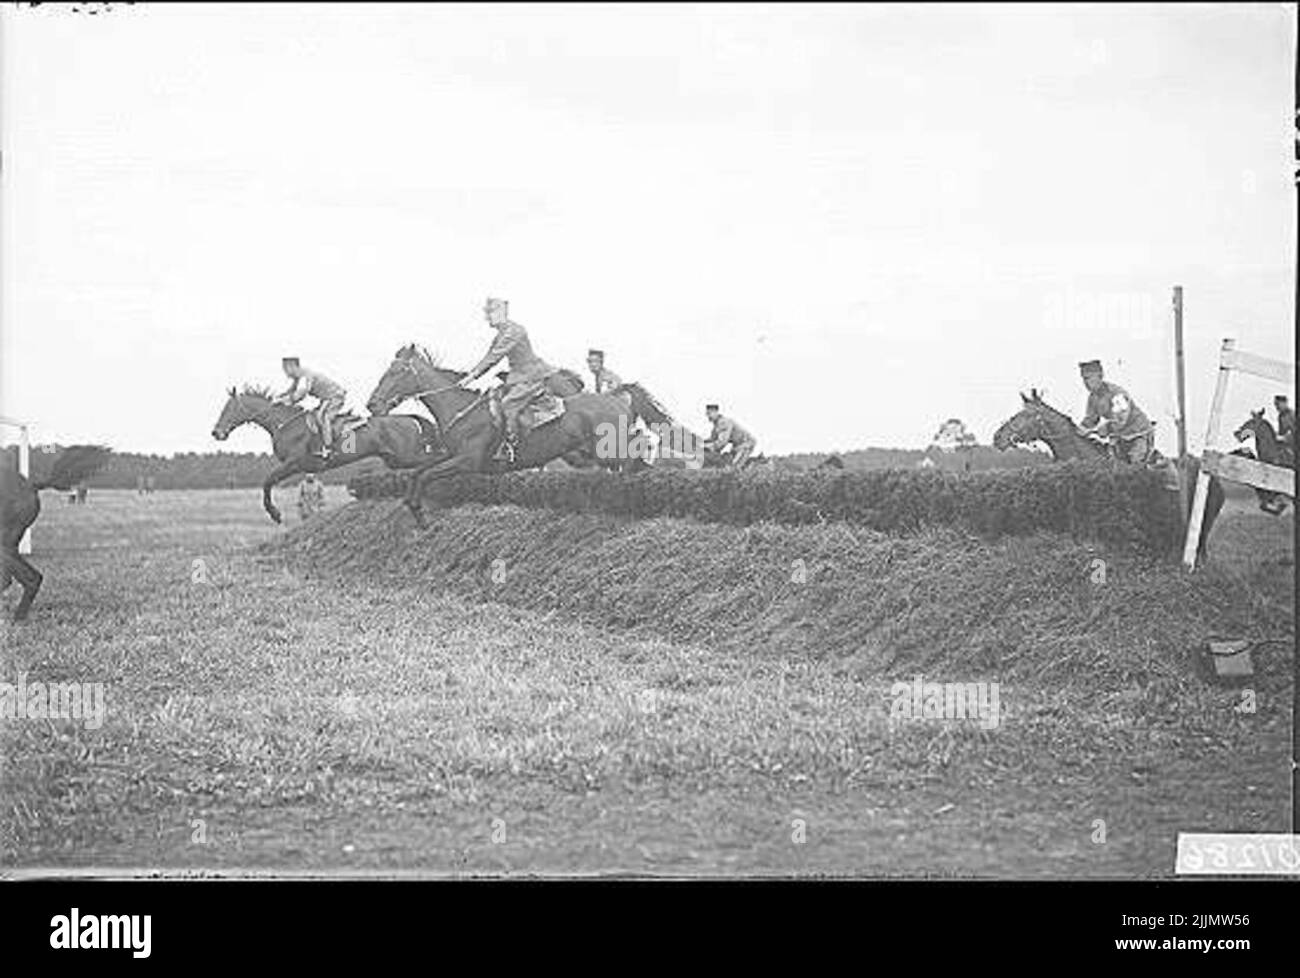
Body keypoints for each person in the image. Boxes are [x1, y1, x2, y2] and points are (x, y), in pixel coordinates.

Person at [460, 297, 557, 462]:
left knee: (508, 405)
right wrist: (470, 375)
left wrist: (471, 377)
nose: (487, 318)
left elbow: (494, 357)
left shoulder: (513, 332)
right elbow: (488, 357)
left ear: (501, 313)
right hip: (518, 376)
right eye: (487, 313)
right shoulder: (501, 334)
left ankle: (511, 446)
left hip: (531, 376)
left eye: (490, 313)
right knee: (494, 400)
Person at [1077, 359, 1155, 464]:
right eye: (1083, 379)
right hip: (1119, 437)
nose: (1086, 383)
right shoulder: (1093, 398)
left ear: (1100, 376)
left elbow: (1121, 420)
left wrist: (1106, 428)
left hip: (1138, 435)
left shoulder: (1117, 393)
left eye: (1088, 378)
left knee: (1135, 465)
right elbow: (1090, 419)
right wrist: (1079, 430)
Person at [276, 357, 347, 459]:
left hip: (335, 397)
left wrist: (287, 400)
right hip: (326, 398)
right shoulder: (299, 377)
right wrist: (280, 397)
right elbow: (291, 390)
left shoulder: (306, 376)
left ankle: (329, 449)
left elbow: (302, 393)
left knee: (323, 417)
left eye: (285, 369)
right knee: (313, 417)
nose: (285, 373)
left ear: (292, 366)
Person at [702, 403, 757, 468]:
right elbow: (712, 438)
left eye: (709, 413)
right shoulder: (717, 425)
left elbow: (722, 442)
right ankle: (748, 466)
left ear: (715, 412)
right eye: (707, 414)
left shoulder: (723, 423)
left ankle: (752, 467)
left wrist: (706, 447)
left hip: (746, 444)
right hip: (737, 445)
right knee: (728, 463)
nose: (708, 416)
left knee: (734, 467)